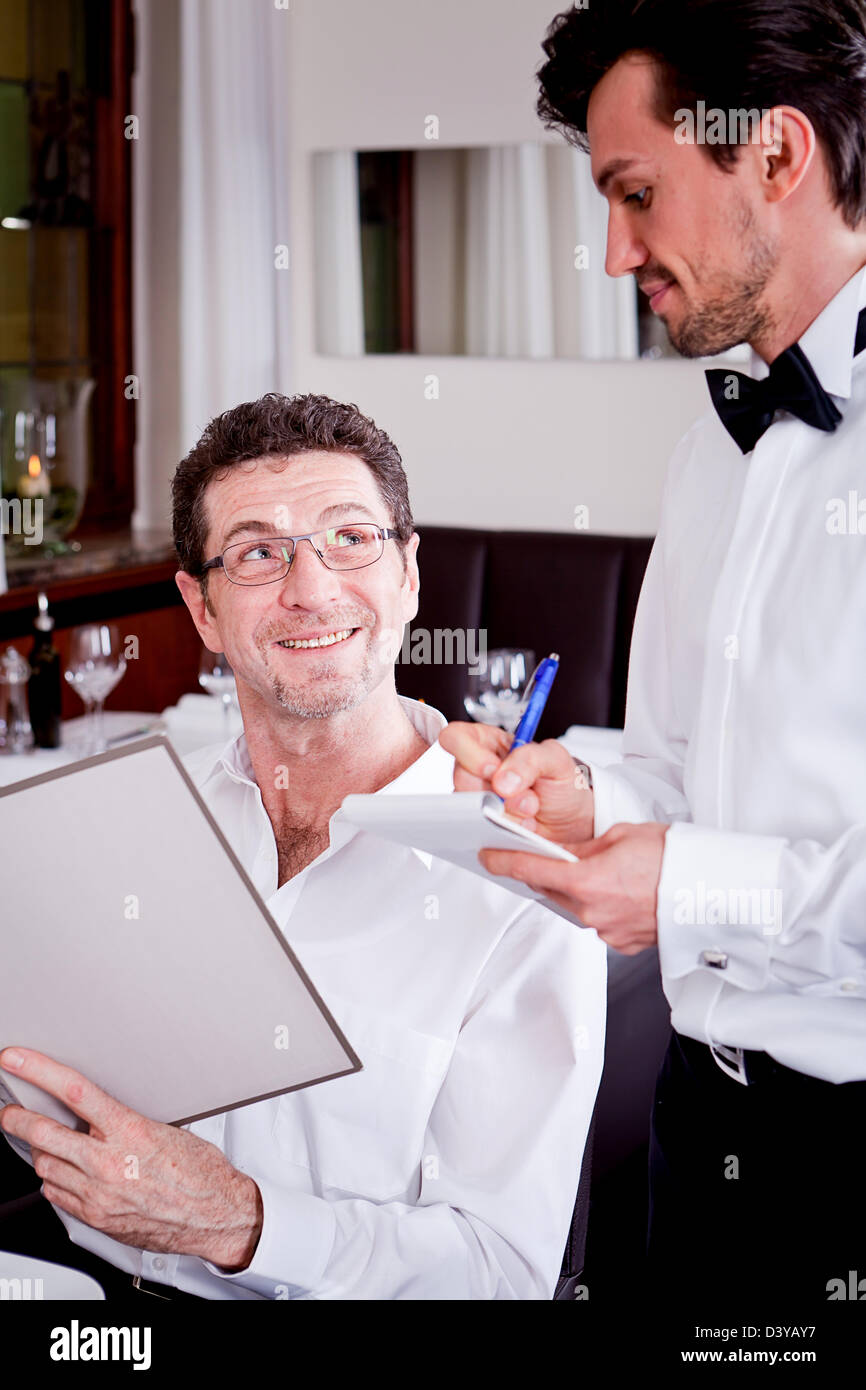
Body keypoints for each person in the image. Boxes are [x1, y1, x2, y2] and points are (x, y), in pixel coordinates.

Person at [441, 0, 866, 1311]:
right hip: (703, 1113)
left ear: (775, 156)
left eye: (635, 194)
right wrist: (589, 796)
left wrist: (686, 885)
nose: (613, 251)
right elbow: (685, 764)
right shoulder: (707, 453)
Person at [0, 393, 606, 1301]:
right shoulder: (126, 825)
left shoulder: (522, 885)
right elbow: (49, 1103)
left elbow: (499, 1274)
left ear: (407, 575)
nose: (311, 587)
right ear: (200, 609)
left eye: (350, 538)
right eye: (257, 552)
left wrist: (242, 1224)